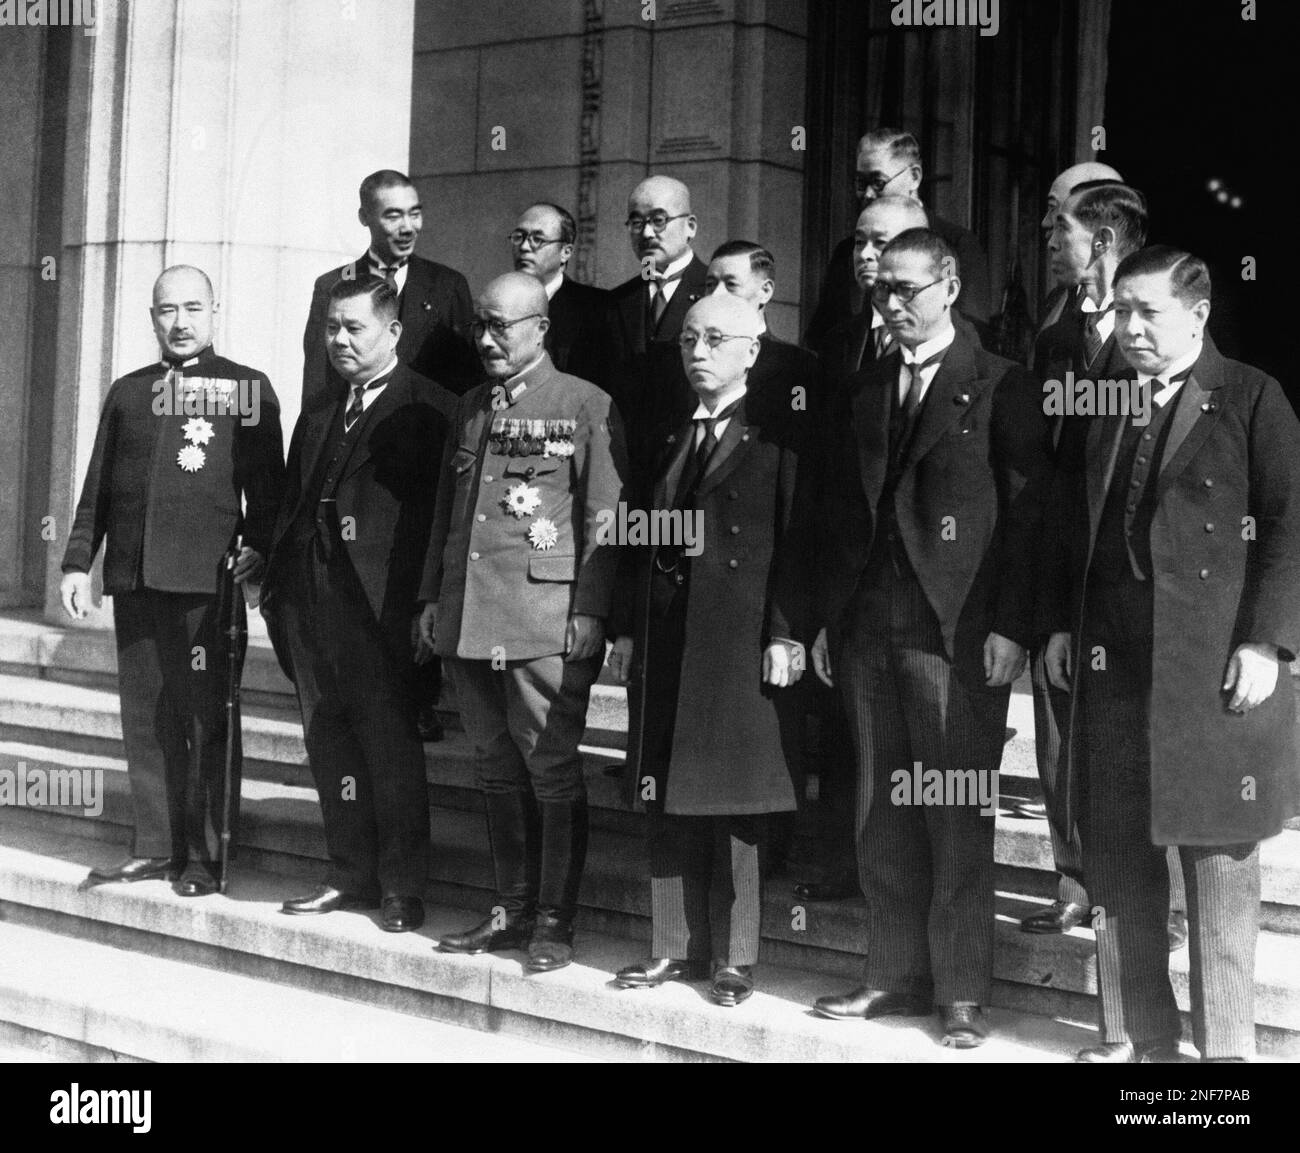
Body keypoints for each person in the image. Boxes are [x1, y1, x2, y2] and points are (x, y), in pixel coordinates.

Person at [1042, 247, 1300, 1063]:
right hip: (1112, 667)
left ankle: (1226, 1054)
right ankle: (1135, 1032)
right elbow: (1068, 523)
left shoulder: (1256, 398)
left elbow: (1292, 528)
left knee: (1219, 863)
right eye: (1121, 311)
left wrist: (1268, 641)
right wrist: (1058, 624)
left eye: (1147, 312)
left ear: (1198, 311)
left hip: (1216, 674)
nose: (1130, 327)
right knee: (1119, 856)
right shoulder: (1105, 399)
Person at [810, 229, 1052, 1048]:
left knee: (953, 812)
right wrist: (821, 616)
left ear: (950, 287)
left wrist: (1015, 628)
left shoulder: (1002, 385)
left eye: (910, 289)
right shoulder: (864, 383)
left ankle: (960, 991)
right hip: (868, 628)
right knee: (881, 803)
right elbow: (839, 512)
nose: (894, 303)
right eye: (884, 290)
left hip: (957, 634)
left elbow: (1026, 519)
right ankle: (891, 973)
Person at [607, 292, 811, 1006]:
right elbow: (639, 536)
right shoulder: (669, 432)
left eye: (715, 338)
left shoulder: (779, 435)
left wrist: (786, 633)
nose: (697, 351)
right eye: (689, 338)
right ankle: (671, 946)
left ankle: (734, 956)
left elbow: (798, 543)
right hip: (670, 639)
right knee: (664, 793)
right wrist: (628, 628)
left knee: (736, 804)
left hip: (737, 640)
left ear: (752, 351)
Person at [420, 272, 626, 972]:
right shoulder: (472, 406)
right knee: (494, 766)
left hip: (543, 617)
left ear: (540, 327)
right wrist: (431, 597)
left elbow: (606, 518)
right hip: (470, 615)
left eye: (501, 326)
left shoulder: (583, 403)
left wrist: (593, 608)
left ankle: (553, 922)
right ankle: (509, 906)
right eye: (480, 324)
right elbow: (452, 515)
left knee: (550, 767)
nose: (485, 339)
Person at [61, 265, 285, 898]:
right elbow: (98, 486)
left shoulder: (245, 388)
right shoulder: (129, 391)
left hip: (204, 583)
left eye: (193, 308)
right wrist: (79, 562)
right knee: (146, 719)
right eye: (167, 310)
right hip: (135, 577)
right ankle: (156, 846)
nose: (180, 322)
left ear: (215, 311)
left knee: (205, 717)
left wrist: (260, 549)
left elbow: (268, 489)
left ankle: (206, 852)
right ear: (152, 317)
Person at [263, 277, 454, 933]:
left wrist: (428, 603)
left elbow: (440, 520)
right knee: (330, 742)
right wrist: (277, 591)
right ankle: (349, 872)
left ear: (393, 331)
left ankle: (401, 886)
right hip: (310, 603)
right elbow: (293, 503)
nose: (339, 340)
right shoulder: (319, 410)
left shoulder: (431, 409)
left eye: (354, 328)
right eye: (331, 328)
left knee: (390, 748)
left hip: (384, 609)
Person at [1025, 182, 1188, 947]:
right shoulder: (1053, 333)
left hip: (1140, 580)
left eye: (1061, 228)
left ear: (1101, 239)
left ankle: (1173, 903)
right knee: (1060, 728)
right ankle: (1073, 878)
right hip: (1064, 556)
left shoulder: (1164, 330)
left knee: (1147, 742)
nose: (1050, 242)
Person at [804, 129, 991, 352]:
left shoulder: (956, 245)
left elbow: (970, 335)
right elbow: (822, 337)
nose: (868, 194)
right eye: (861, 183)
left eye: (878, 181)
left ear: (914, 176)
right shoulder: (848, 251)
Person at [301, 169, 476, 408]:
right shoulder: (331, 285)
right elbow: (317, 380)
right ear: (364, 217)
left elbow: (465, 379)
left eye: (414, 214)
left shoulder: (448, 285)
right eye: (393, 216)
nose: (408, 228)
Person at [591, 175, 707, 488]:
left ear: (691, 226)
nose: (646, 233)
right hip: (627, 472)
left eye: (658, 220)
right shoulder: (615, 303)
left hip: (692, 468)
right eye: (636, 222)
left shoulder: (716, 292)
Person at [509, 201, 607, 376]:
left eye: (538, 239)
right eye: (519, 237)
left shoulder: (599, 308)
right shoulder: (501, 304)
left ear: (566, 252)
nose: (524, 247)